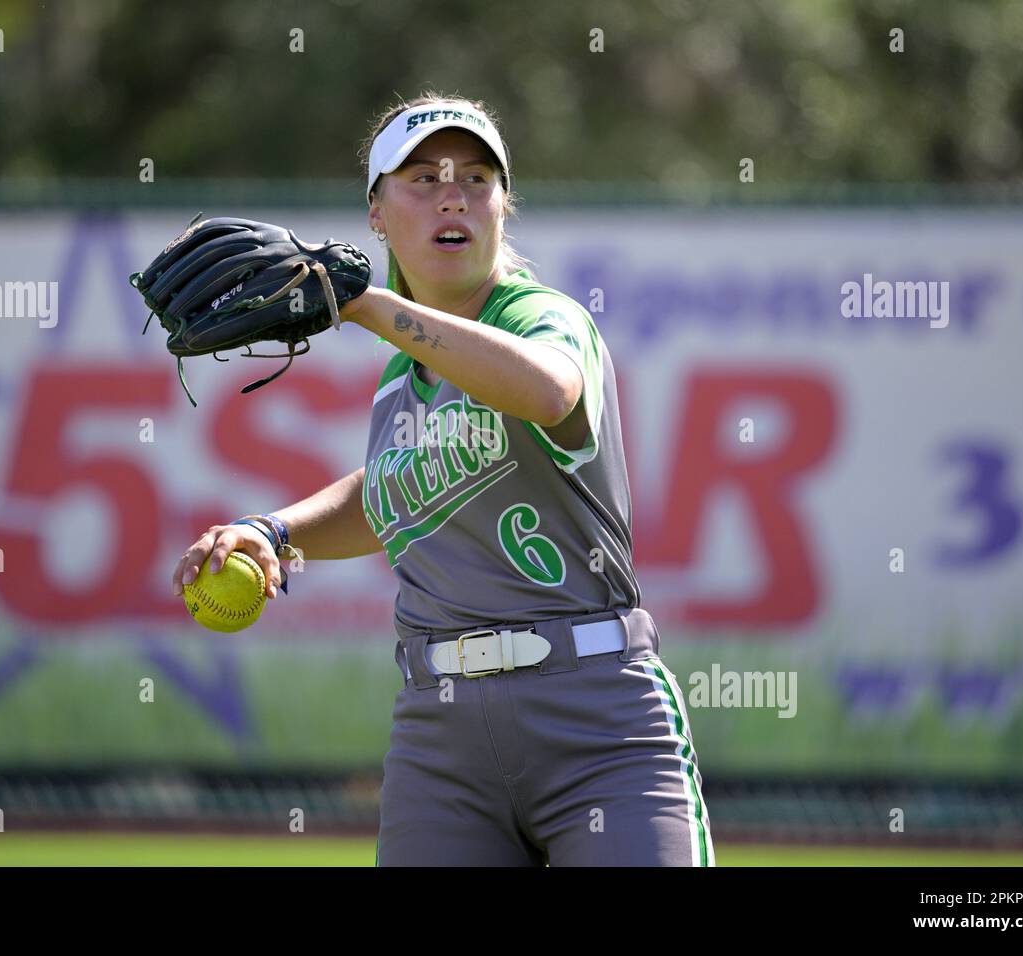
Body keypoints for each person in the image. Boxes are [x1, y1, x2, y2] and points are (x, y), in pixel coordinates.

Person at [170, 92, 714, 867]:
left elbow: (546, 392)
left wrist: (365, 303)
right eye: (422, 177)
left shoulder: (542, 318)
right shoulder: (401, 382)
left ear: (502, 207)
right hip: (440, 736)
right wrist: (274, 529)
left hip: (596, 715)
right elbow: (390, 495)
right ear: (377, 216)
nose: (453, 193)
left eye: (477, 176)